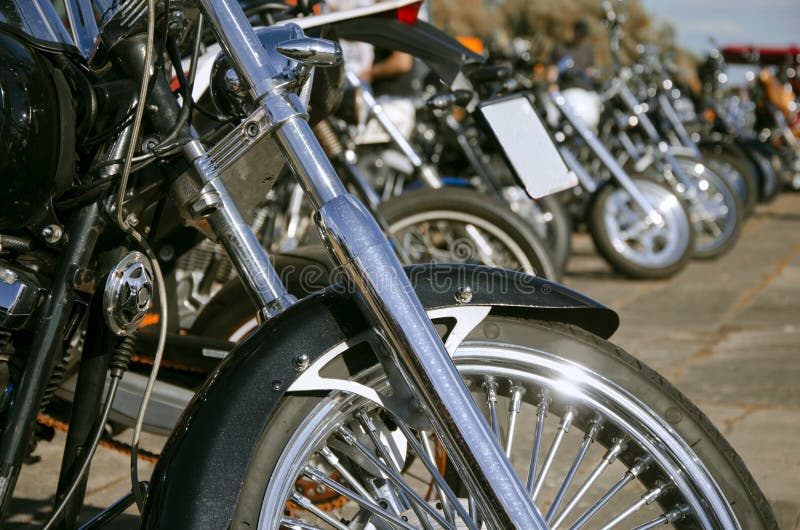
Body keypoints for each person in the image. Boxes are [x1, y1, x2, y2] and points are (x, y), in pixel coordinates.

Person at [548, 19, 596, 84]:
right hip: (563, 84)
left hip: (582, 85)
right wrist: (552, 83)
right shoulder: (561, 47)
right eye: (579, 33)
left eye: (583, 34)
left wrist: (589, 73)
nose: (580, 36)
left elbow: (591, 68)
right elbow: (552, 68)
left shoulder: (588, 49)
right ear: (575, 31)